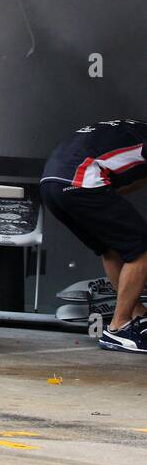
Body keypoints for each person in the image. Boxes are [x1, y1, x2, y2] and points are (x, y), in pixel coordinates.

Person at [40, 118, 147, 353]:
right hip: (81, 181)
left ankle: (137, 317)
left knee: (112, 248)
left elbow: (120, 188)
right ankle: (119, 328)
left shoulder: (125, 131)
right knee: (142, 249)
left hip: (51, 184)